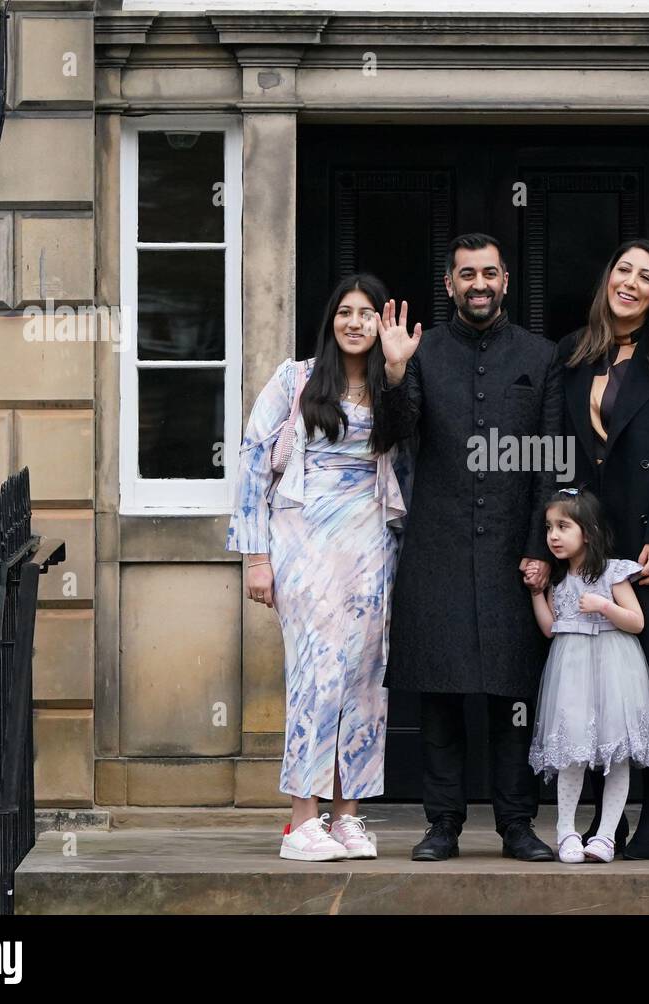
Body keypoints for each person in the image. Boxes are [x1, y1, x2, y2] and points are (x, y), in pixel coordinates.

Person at [375, 232, 562, 863]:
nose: (477, 284)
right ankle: (442, 825)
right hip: (438, 546)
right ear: (449, 284)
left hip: (515, 549)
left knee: (514, 694)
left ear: (506, 279)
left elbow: (553, 461)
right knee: (440, 695)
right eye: (465, 275)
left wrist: (541, 544)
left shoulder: (541, 355)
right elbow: (395, 437)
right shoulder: (423, 355)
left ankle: (516, 823)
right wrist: (397, 372)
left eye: (488, 273)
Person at [530, 238, 649, 860]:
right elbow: (553, 451)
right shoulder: (573, 355)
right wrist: (552, 537)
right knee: (598, 684)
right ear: (608, 278)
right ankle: (606, 822)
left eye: (647, 277)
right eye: (624, 270)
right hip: (589, 542)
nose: (631, 282)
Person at [227, 273, 411, 862]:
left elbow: (411, 445)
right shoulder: (296, 378)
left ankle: (347, 817)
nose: (355, 323)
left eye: (367, 314)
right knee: (315, 673)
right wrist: (256, 556)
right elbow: (254, 461)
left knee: (364, 675)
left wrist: (400, 370)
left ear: (382, 322)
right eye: (345, 312)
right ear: (331, 319)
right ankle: (300, 820)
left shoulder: (390, 385)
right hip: (303, 537)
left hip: (370, 541)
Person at [528, 488, 649, 863]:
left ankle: (605, 836)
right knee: (572, 750)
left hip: (614, 665)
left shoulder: (612, 572)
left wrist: (604, 606)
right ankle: (566, 830)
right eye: (549, 527)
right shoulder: (557, 580)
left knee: (616, 752)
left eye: (563, 526)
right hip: (571, 667)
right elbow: (551, 628)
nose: (553, 535)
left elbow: (636, 622)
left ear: (587, 531)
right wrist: (537, 595)